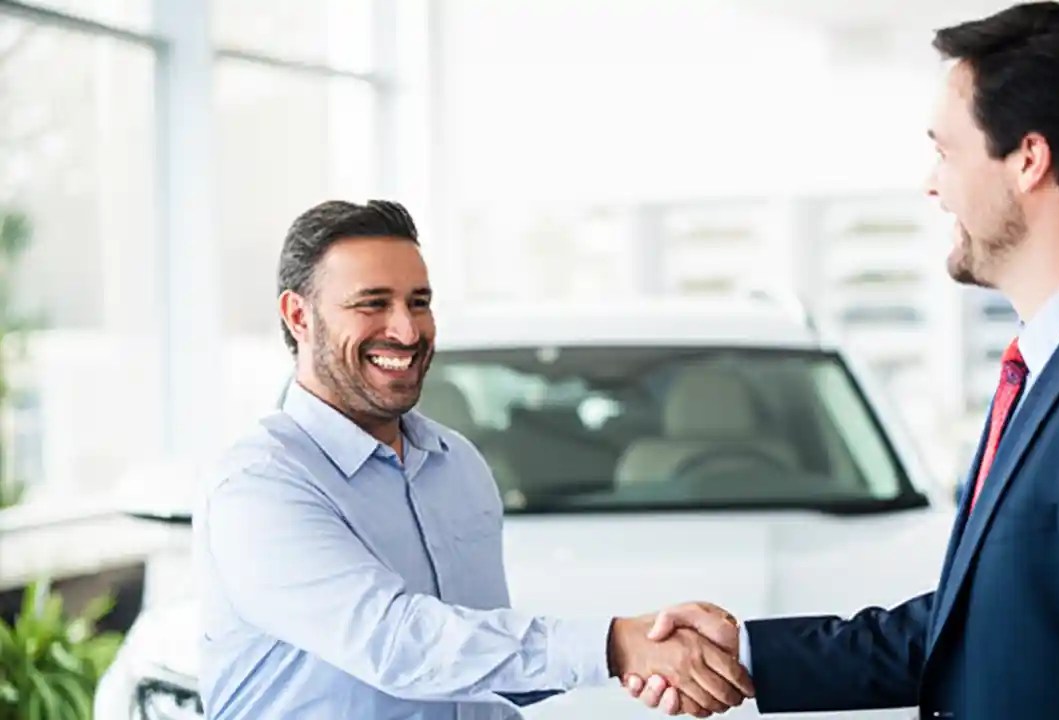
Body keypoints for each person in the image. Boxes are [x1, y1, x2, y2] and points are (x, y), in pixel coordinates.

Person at [627, 2, 1059, 717]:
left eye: (945, 150)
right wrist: (748, 652)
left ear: (1028, 160)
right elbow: (995, 624)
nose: (931, 185)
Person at [194, 199, 753, 719]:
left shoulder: (452, 462)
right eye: (373, 303)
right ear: (298, 316)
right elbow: (397, 645)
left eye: (419, 302)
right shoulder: (262, 484)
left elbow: (478, 663)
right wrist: (613, 645)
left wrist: (642, 650)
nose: (407, 330)